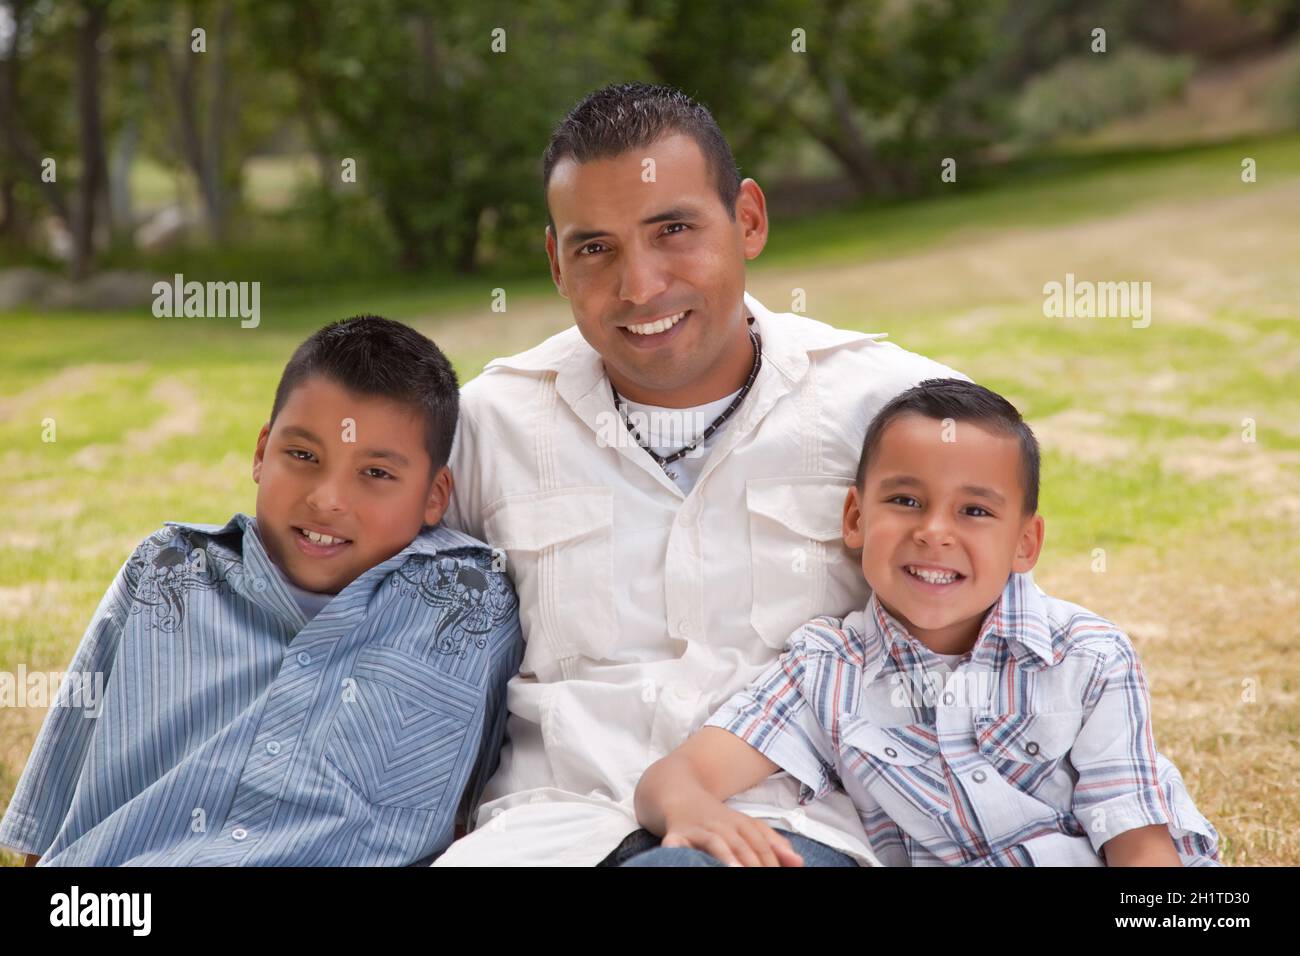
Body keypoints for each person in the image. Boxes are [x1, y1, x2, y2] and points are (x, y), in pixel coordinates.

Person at [433, 82, 968, 867]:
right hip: (547, 831)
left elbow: (1016, 649)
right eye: (594, 248)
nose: (640, 286)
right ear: (554, 262)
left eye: (673, 229)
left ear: (747, 219)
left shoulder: (894, 410)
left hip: (789, 828)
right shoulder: (488, 425)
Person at [0, 315, 522, 865]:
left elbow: (479, 816)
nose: (327, 499)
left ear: (435, 496)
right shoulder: (167, 572)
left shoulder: (471, 608)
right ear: (261, 452)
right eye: (303, 456)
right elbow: (52, 823)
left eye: (376, 474)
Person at [634, 378, 1222, 866]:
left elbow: (1139, 844)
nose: (934, 531)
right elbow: (678, 776)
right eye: (906, 501)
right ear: (856, 518)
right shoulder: (828, 668)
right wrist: (693, 809)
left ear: (1025, 543)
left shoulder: (1087, 656)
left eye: (974, 510)